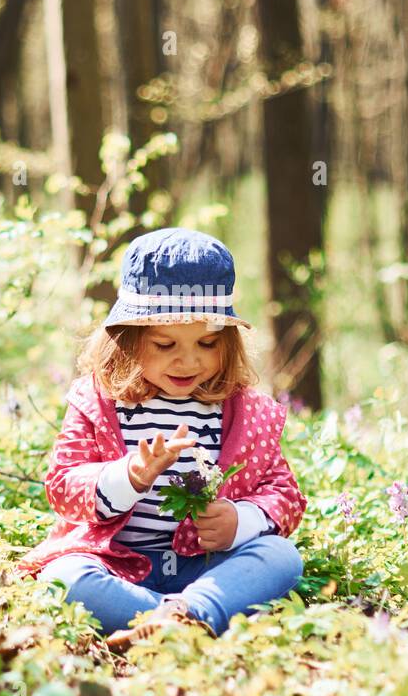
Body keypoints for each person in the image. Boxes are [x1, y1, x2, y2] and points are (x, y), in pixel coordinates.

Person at [17, 227, 306, 652]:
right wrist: (127, 476)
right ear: (128, 340)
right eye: (165, 343)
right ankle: (183, 620)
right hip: (115, 565)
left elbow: (284, 493)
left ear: (227, 343)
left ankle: (184, 613)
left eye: (207, 343)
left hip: (206, 567)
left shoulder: (245, 412)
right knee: (64, 577)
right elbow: (63, 487)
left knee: (282, 557)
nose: (188, 360)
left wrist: (240, 521)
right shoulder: (98, 403)